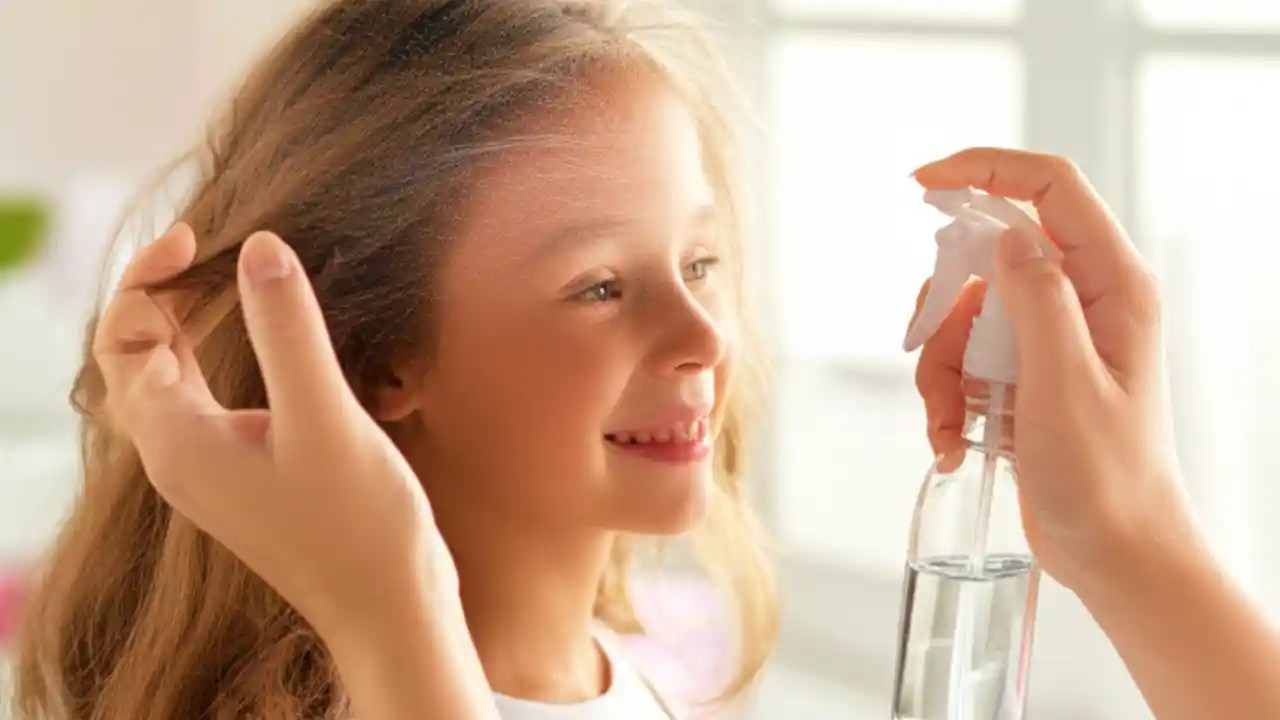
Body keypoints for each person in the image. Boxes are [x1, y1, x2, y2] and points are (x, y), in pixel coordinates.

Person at [12, 3, 1280, 720]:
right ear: (377, 357)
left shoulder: (633, 687)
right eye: (601, 286)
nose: (703, 339)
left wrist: (1126, 531)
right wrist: (389, 607)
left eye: (705, 263)